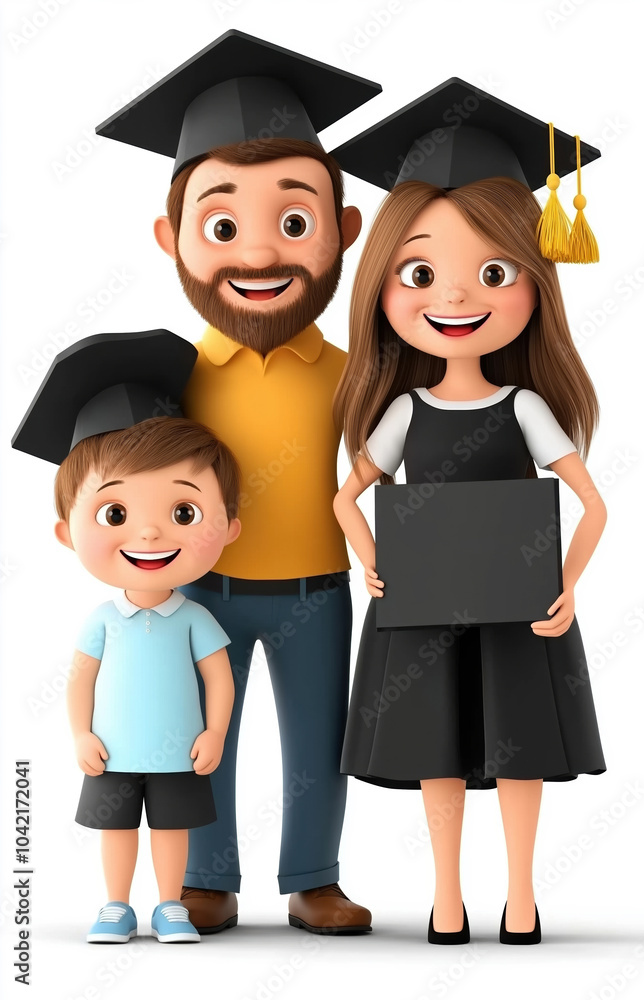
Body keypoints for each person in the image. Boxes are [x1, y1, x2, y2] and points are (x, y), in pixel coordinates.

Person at [95, 31, 379, 933]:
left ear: (342, 232)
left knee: (317, 747)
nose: (258, 254)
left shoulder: (350, 372)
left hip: (317, 591)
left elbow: (393, 463)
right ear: (170, 238)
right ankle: (208, 875)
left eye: (293, 221)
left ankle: (313, 877)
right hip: (202, 591)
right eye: (222, 226)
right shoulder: (171, 380)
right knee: (200, 738)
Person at [331, 80, 607, 945]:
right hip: (421, 611)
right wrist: (371, 561)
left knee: (517, 748)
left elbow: (591, 505)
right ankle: (446, 897)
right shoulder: (405, 412)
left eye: (493, 272)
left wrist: (563, 587)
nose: (454, 296)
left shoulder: (523, 403)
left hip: (517, 608)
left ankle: (519, 895)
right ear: (383, 283)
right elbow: (347, 495)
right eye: (419, 272)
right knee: (436, 754)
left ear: (534, 283)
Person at [12, 331, 241, 944]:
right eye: (114, 513)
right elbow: (80, 677)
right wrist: (80, 733)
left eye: (183, 512)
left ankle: (170, 904)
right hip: (113, 750)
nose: (146, 533)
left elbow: (220, 674)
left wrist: (215, 731)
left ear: (230, 526)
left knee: (171, 831)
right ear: (67, 533)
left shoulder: (194, 616)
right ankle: (116, 905)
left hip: (177, 753)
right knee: (117, 831)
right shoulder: (102, 619)